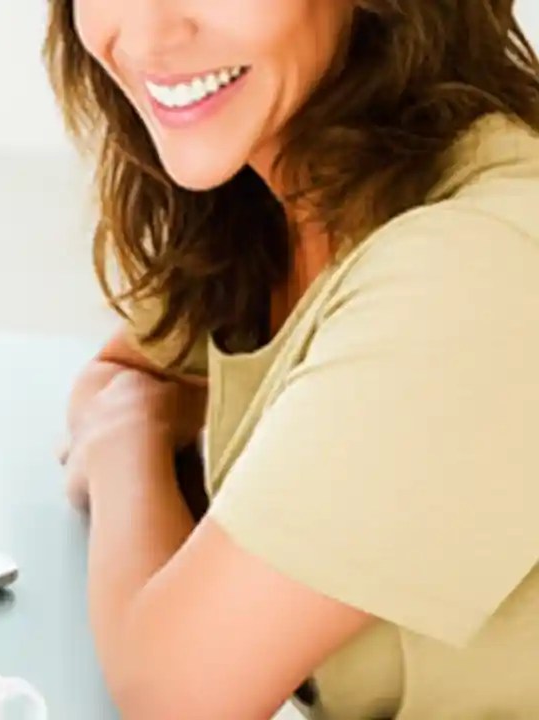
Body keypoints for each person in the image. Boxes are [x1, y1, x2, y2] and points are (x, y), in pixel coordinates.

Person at [45, 1, 539, 718]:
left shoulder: (482, 259)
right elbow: (132, 370)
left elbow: (179, 693)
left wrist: (124, 437)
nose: (150, 36)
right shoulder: (271, 179)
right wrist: (131, 409)